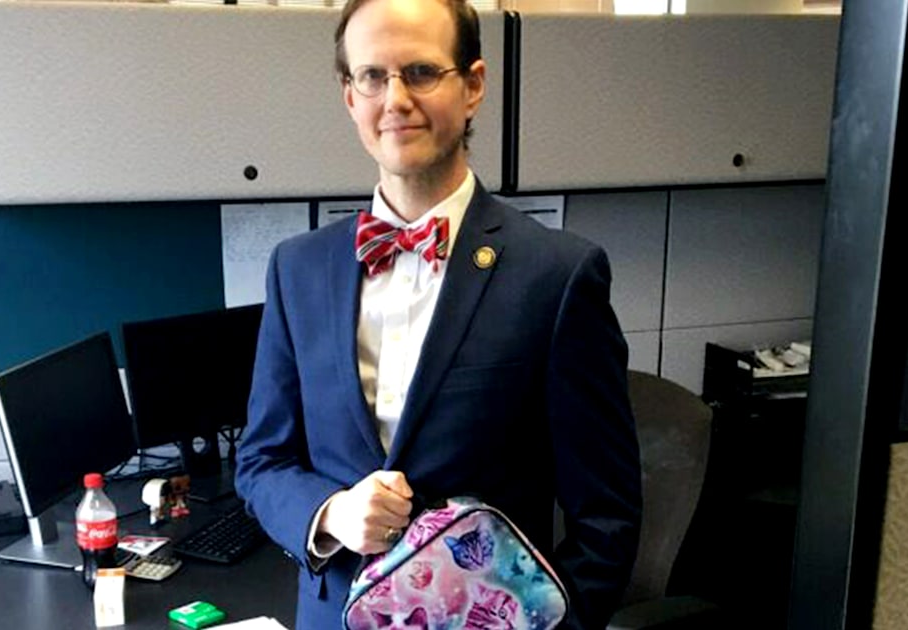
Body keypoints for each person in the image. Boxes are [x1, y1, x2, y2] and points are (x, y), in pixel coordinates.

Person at [234, 0, 642, 627]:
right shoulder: (298, 270)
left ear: (473, 85)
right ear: (349, 95)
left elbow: (606, 515)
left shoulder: (557, 275)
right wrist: (332, 513)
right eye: (372, 76)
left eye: (421, 72)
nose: (395, 99)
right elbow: (263, 462)